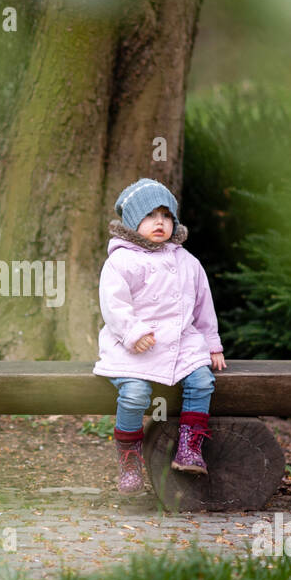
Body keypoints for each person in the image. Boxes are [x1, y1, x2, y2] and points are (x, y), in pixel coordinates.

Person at [93, 178, 226, 495]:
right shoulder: (122, 261)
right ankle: (129, 461)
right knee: (135, 393)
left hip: (181, 345)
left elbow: (202, 307)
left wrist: (211, 345)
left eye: (166, 216)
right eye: (151, 215)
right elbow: (114, 305)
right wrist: (133, 332)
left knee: (202, 381)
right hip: (133, 347)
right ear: (133, 222)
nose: (160, 222)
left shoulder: (187, 262)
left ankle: (189, 446)